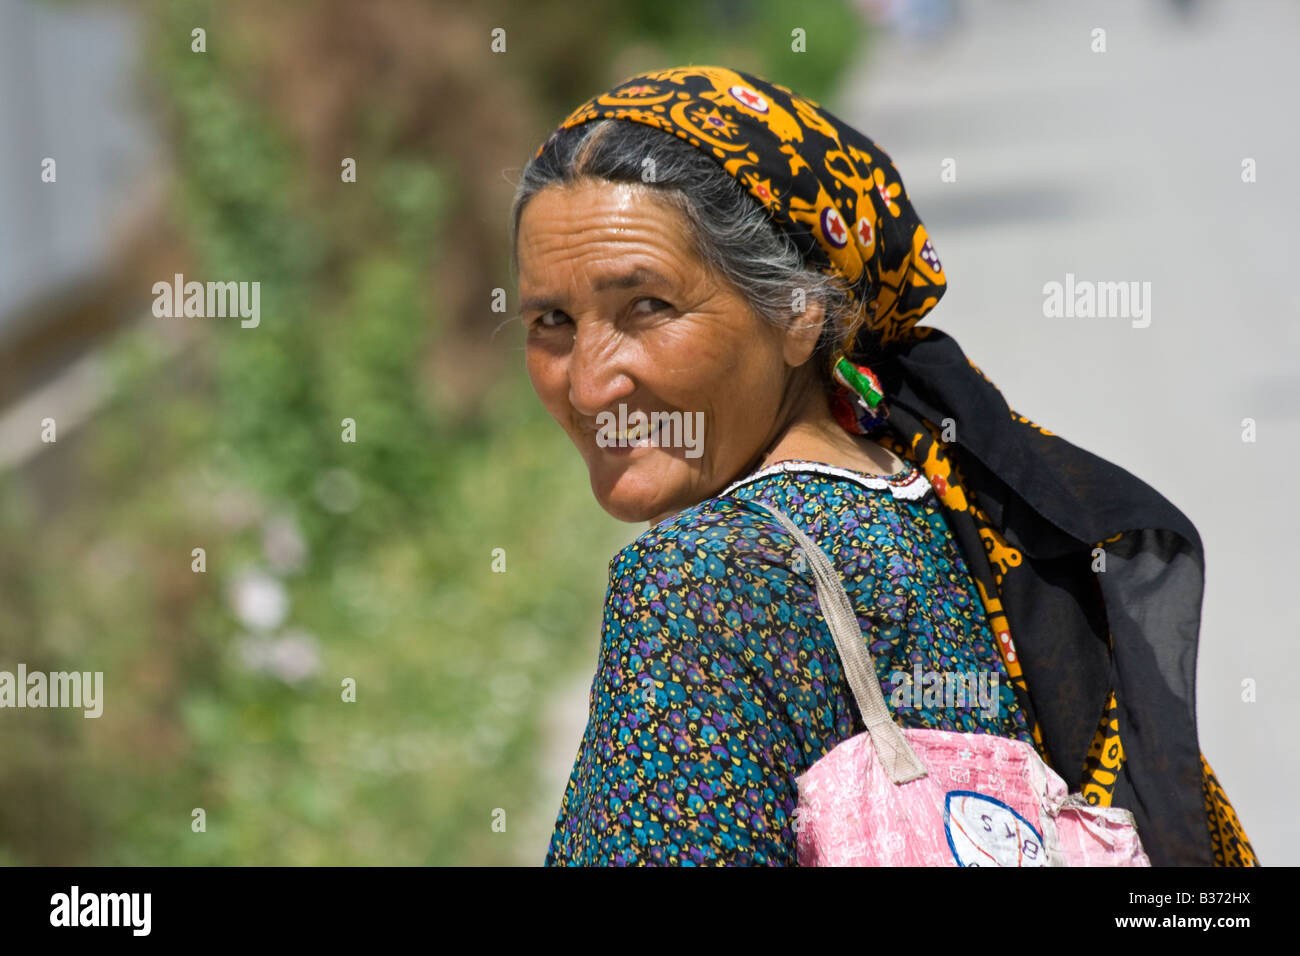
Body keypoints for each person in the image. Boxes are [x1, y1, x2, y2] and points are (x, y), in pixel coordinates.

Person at [510, 65, 1256, 866]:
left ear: (802, 314)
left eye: (647, 307)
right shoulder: (949, 508)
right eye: (552, 320)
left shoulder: (698, 585)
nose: (588, 382)